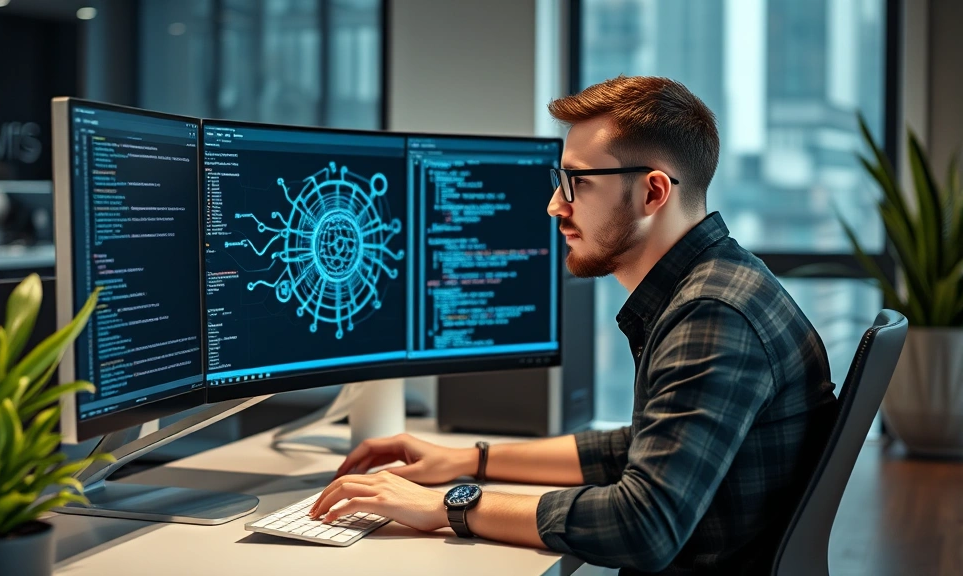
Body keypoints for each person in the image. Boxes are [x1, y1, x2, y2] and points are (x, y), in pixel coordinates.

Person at [309, 75, 837, 575]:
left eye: (576, 182)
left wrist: (448, 504)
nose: (554, 205)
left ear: (653, 193)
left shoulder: (712, 314)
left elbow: (643, 524)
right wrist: (467, 459)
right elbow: (641, 447)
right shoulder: (722, 284)